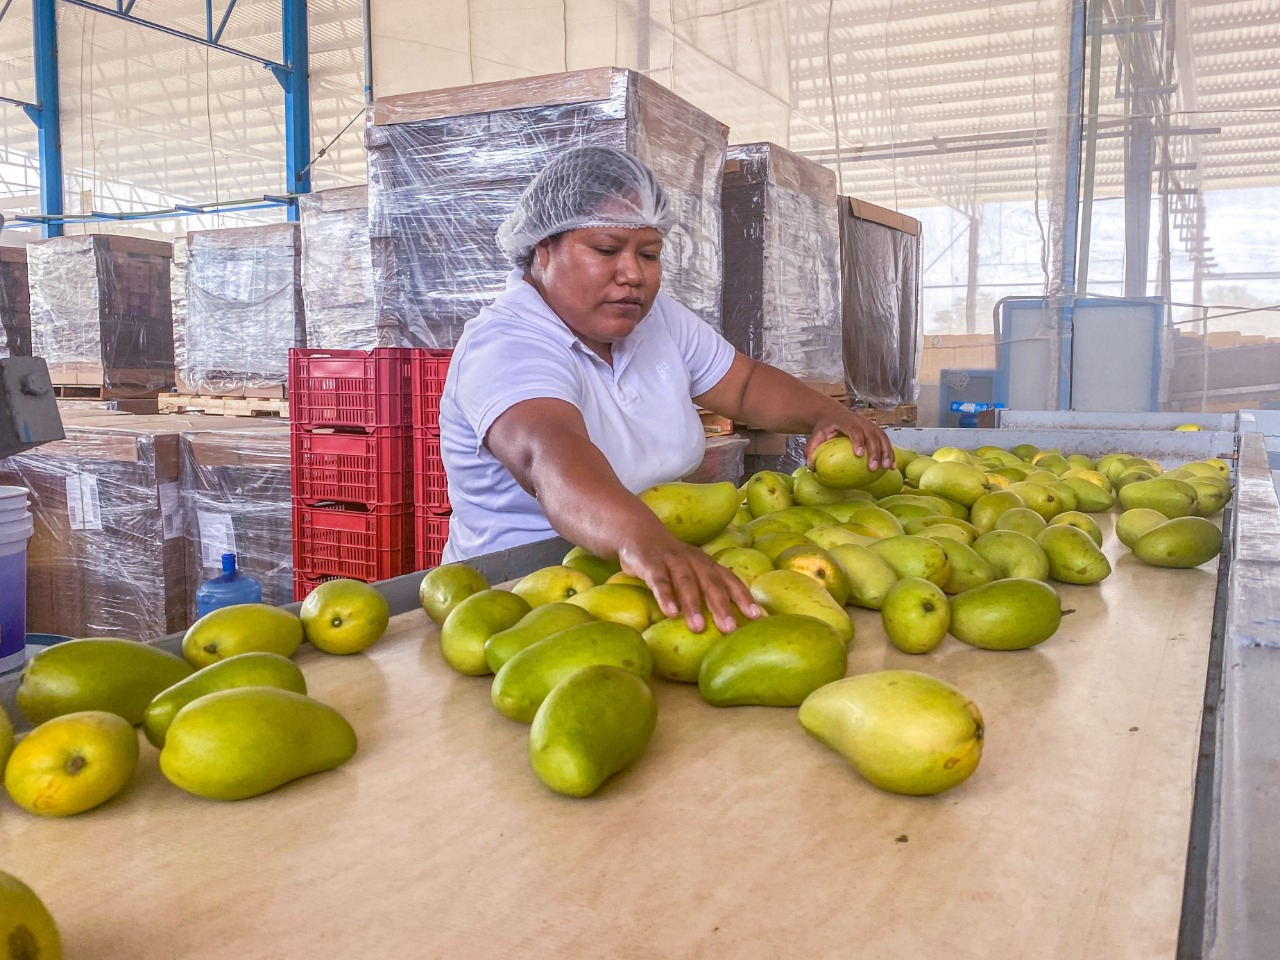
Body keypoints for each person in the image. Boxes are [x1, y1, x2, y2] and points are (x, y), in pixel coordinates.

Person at [438, 145, 893, 634]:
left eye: (649, 254)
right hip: (517, 601)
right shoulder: (506, 342)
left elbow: (743, 385)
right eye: (607, 250)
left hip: (641, 579)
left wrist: (826, 415)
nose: (633, 274)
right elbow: (548, 457)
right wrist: (645, 540)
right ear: (543, 250)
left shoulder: (656, 321)